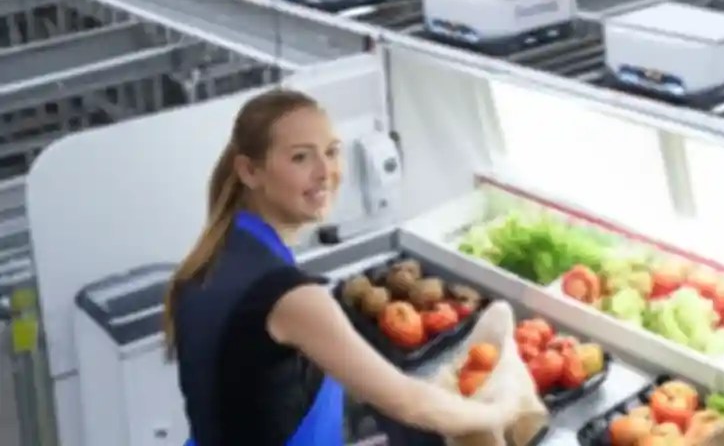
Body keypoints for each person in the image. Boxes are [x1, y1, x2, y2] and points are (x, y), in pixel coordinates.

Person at [162, 89, 519, 445]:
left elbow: (252, 396)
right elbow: (412, 404)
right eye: (301, 158)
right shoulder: (291, 299)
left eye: (332, 152)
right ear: (249, 171)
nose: (325, 172)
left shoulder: (212, 257)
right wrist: (503, 411)